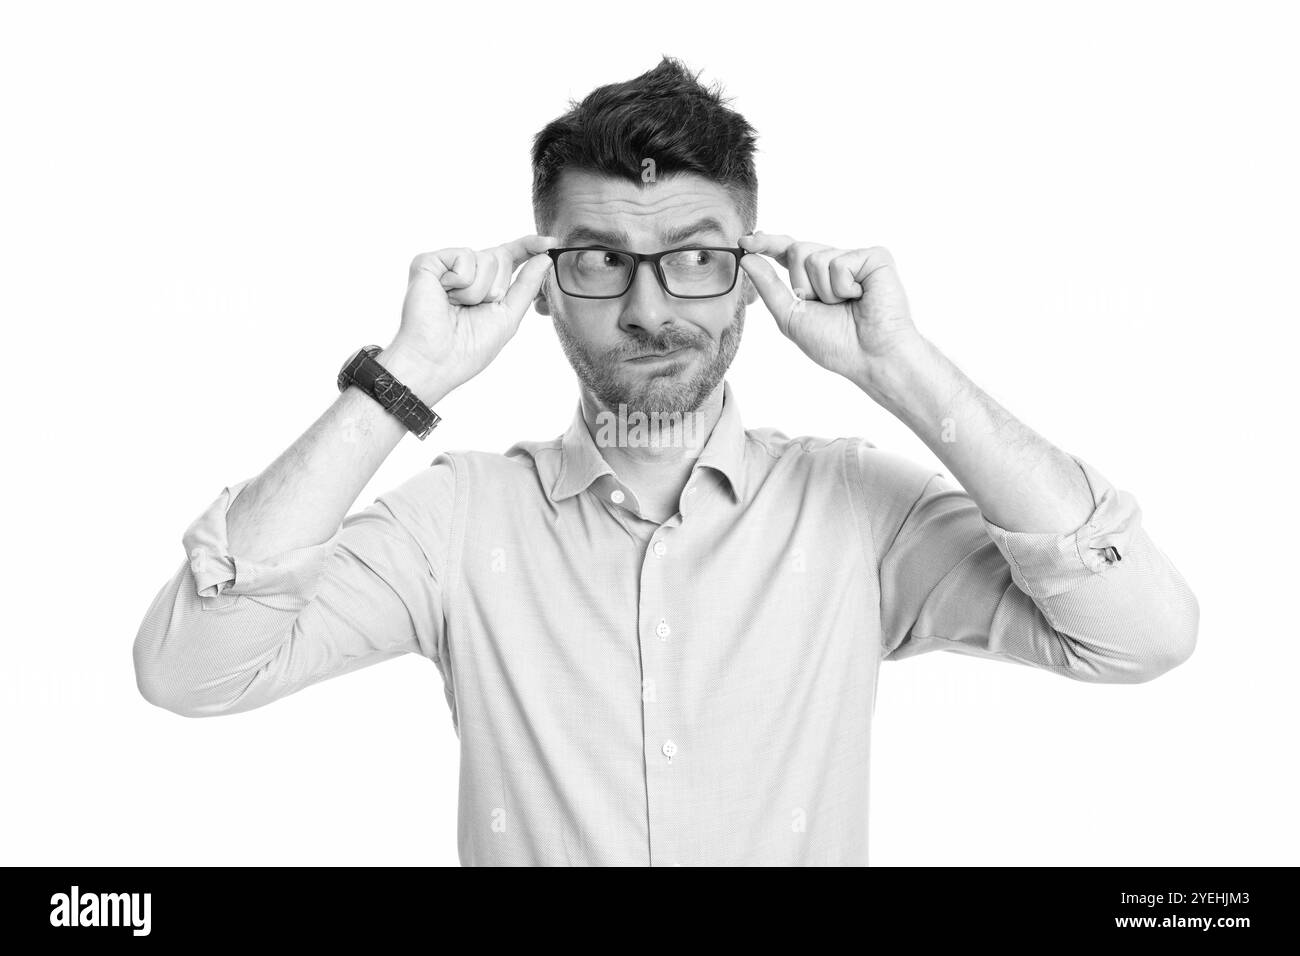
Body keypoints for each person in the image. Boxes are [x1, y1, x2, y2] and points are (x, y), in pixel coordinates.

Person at [133, 57, 1198, 866]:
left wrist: (899, 366)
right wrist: (407, 373)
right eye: (600, 260)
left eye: (695, 257)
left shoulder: (859, 511)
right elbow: (188, 669)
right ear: (539, 282)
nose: (649, 311)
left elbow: (1141, 631)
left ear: (748, 275)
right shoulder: (455, 522)